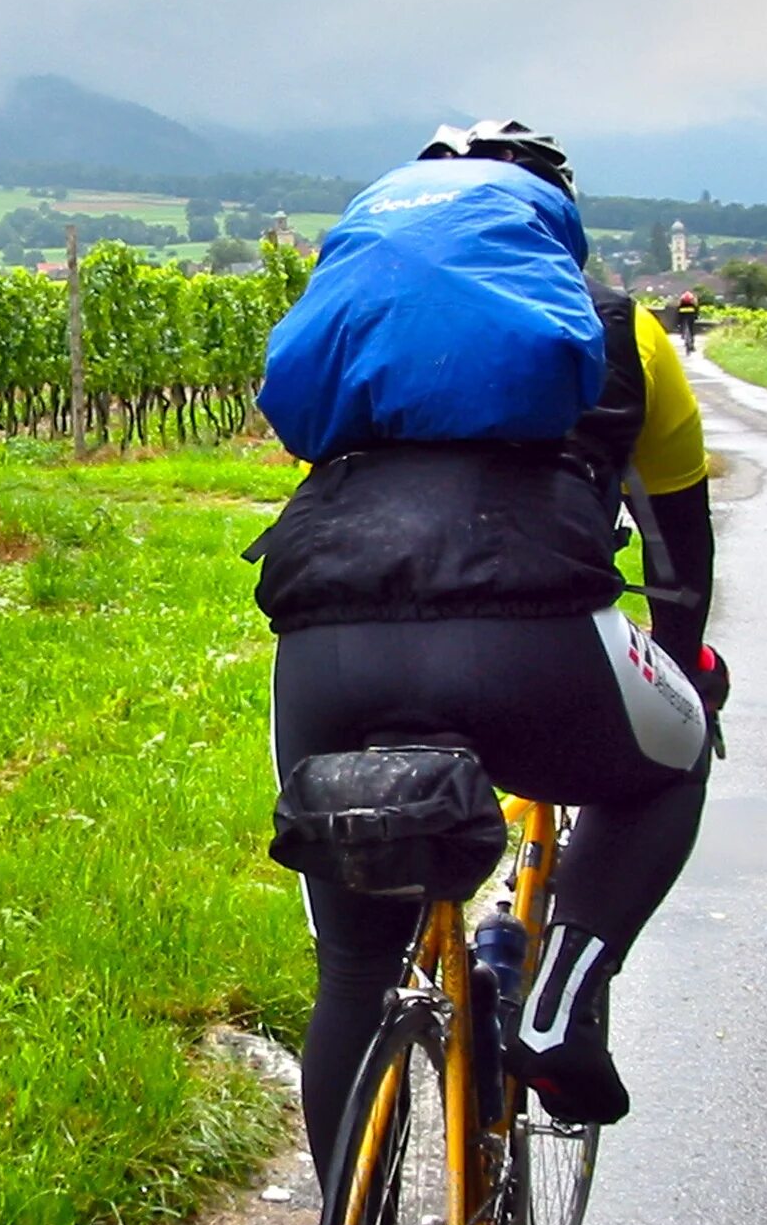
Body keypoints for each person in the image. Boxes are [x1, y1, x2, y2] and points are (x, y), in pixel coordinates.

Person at [249, 121, 727, 1172]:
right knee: (675, 757)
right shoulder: (620, 333)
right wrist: (685, 663)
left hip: (330, 653)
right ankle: (559, 1003)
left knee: (353, 970)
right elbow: (677, 554)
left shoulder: (354, 334)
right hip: (535, 646)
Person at [677, 288, 701, 352]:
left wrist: (678, 321)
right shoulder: (693, 299)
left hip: (683, 313)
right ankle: (692, 345)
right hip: (691, 313)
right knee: (691, 328)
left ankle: (682, 333)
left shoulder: (682, 299)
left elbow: (678, 309)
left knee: (681, 323)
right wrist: (697, 316)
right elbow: (696, 308)